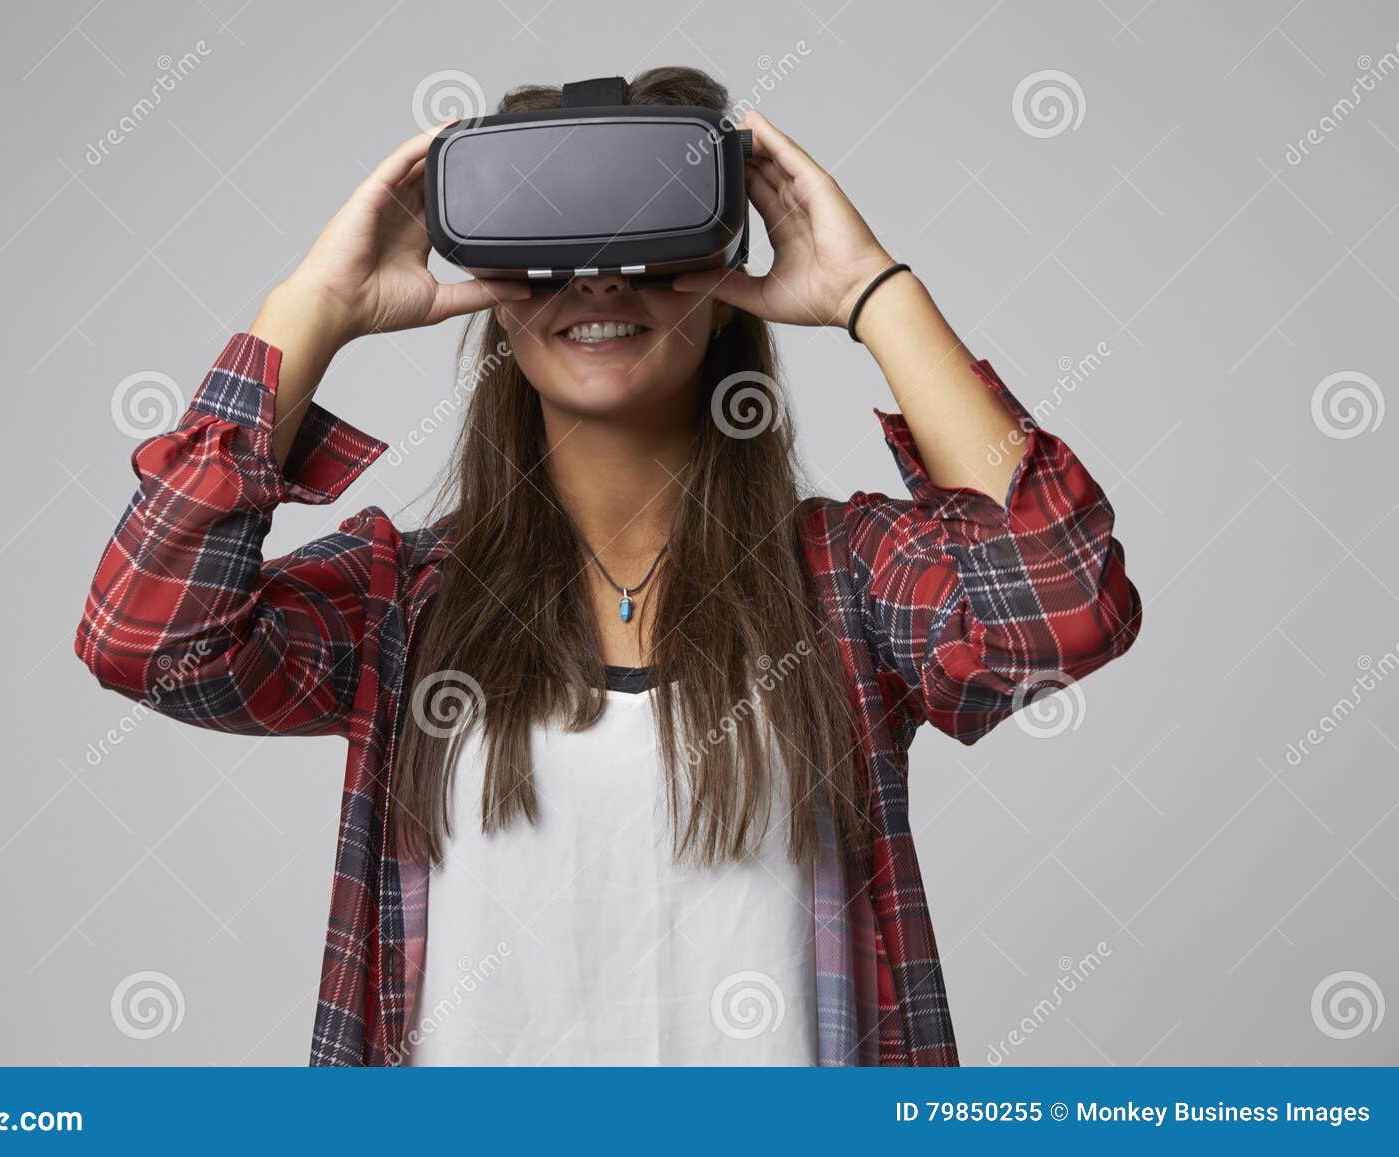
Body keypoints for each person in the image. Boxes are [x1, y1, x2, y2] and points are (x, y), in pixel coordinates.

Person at [74, 67, 1141, 1066]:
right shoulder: (403, 598)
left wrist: (873, 291)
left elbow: (1059, 614)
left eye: (648, 244)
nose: (596, 279)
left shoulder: (844, 582)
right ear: (494, 282)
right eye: (546, 245)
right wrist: (309, 308)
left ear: (724, 265)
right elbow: (149, 642)